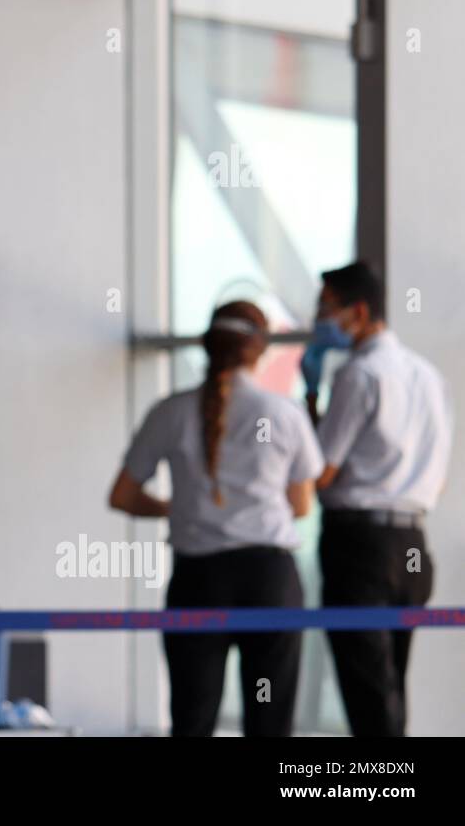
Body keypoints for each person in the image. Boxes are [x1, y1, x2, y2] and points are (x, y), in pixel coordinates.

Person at [110, 301, 323, 736]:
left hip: (199, 582)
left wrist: (180, 508)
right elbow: (301, 507)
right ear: (258, 348)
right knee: (270, 720)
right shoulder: (284, 413)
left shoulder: (170, 412)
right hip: (269, 582)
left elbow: (124, 496)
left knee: (192, 717)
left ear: (209, 345)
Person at [301, 261, 452, 736]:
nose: (318, 318)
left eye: (326, 307)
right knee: (390, 691)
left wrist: (310, 396)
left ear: (359, 311)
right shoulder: (429, 377)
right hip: (411, 547)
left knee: (369, 697)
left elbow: (319, 473)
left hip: (359, 548)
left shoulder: (359, 375)